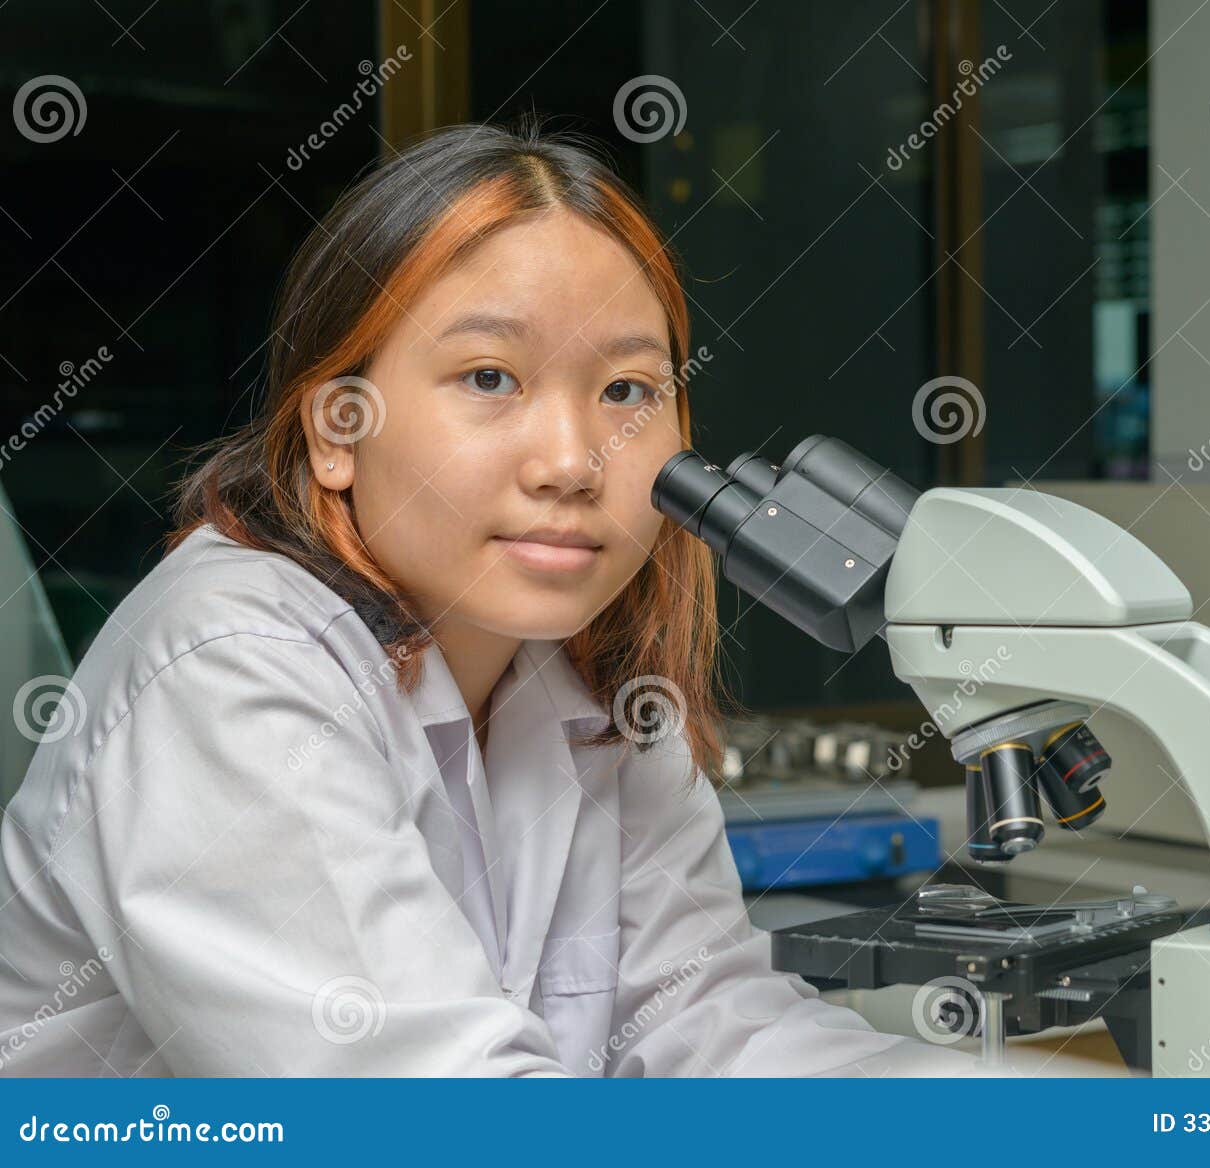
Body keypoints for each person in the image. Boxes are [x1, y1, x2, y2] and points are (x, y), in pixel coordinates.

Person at [0, 117, 971, 1077]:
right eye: (489, 376)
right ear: (338, 431)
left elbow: (720, 1033)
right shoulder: (227, 671)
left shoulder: (600, 695)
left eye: (627, 391)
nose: (570, 461)